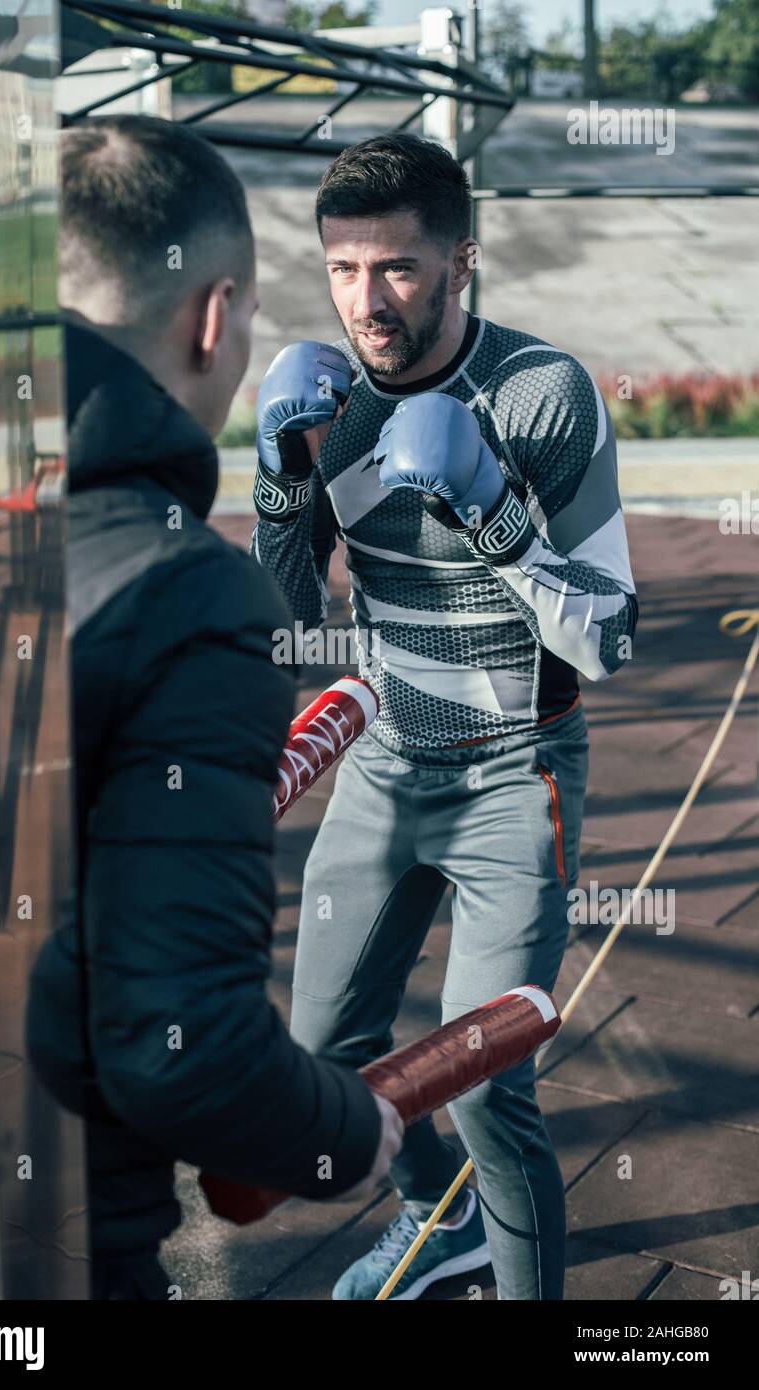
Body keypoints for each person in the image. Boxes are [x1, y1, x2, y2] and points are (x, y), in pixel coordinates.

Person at [251, 132, 638, 1301]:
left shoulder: (540, 393)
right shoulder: (332, 399)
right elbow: (285, 628)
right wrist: (277, 480)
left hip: (518, 770)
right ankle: (440, 1217)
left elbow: (606, 643)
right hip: (386, 766)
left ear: (462, 261)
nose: (367, 301)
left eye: (398, 270)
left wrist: (495, 518)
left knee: (480, 1079)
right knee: (320, 1054)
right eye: (343, 271)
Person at [25, 115, 402, 1301]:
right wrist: (343, 1134)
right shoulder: (183, 591)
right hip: (36, 1234)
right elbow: (175, 1047)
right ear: (213, 313)